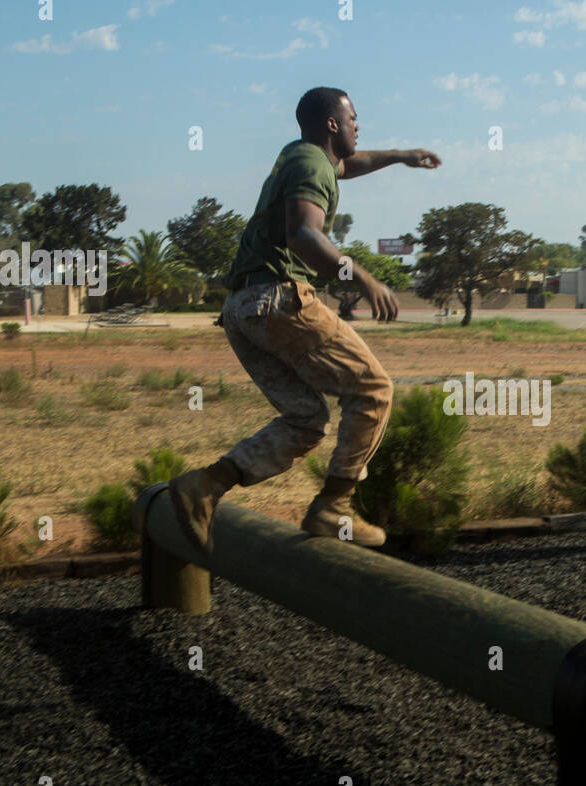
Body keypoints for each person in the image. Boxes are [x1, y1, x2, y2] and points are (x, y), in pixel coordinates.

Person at [167, 87, 441, 552]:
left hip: (242, 308)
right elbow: (303, 233)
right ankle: (333, 508)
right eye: (354, 118)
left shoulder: (303, 157)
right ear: (333, 124)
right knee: (373, 389)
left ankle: (204, 487)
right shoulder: (311, 165)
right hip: (279, 298)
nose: (360, 126)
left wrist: (401, 156)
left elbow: (349, 165)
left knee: (306, 418)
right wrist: (363, 279)